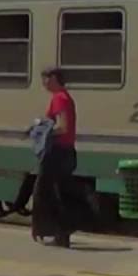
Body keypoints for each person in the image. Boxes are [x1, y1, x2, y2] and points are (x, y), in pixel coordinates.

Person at [31, 67, 86, 248]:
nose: (44, 83)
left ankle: (53, 232)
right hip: (64, 152)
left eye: (45, 79)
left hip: (58, 153)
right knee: (56, 193)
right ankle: (59, 234)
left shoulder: (60, 99)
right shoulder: (63, 97)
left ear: (54, 78)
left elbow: (63, 127)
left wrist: (43, 133)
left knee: (45, 192)